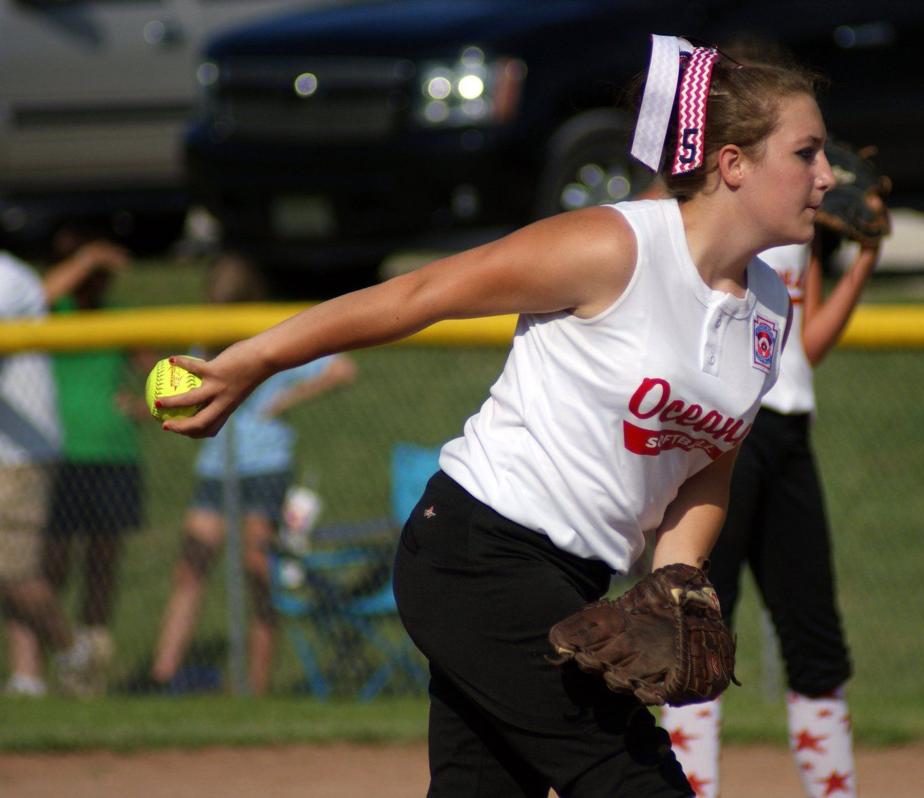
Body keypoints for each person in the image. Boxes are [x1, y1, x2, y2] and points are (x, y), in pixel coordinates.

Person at [159, 35, 831, 795]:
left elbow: (712, 462)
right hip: (476, 555)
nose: (827, 176)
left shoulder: (770, 310)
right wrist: (257, 358)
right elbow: (422, 294)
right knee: (633, 779)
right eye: (806, 153)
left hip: (573, 582)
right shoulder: (617, 247)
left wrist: (675, 576)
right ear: (733, 163)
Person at [661, 226, 883, 797]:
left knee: (816, 640)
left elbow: (801, 350)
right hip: (726, 427)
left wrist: (864, 261)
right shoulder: (730, 208)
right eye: (809, 155)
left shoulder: (800, 225)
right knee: (697, 634)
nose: (825, 175)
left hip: (787, 437)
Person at [143, 255, 357, 695]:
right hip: (215, 466)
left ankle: (255, 691)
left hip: (263, 465)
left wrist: (286, 399)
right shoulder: (203, 341)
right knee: (189, 568)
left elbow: (342, 368)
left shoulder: (272, 338)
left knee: (258, 569)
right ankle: (160, 679)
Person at [29, 231, 148, 696]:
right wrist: (89, 256)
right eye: (88, 274)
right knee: (52, 566)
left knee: (102, 563)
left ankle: (92, 663)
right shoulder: (48, 313)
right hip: (60, 454)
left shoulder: (119, 318)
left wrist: (142, 407)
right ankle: (48, 661)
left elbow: (162, 374)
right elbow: (41, 294)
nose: (95, 284)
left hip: (114, 454)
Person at [1, 247, 116, 697]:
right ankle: (27, 676)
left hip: (20, 453)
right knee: (15, 568)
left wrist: (87, 261)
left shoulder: (10, 278)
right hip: (12, 449)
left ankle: (73, 650)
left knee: (13, 570)